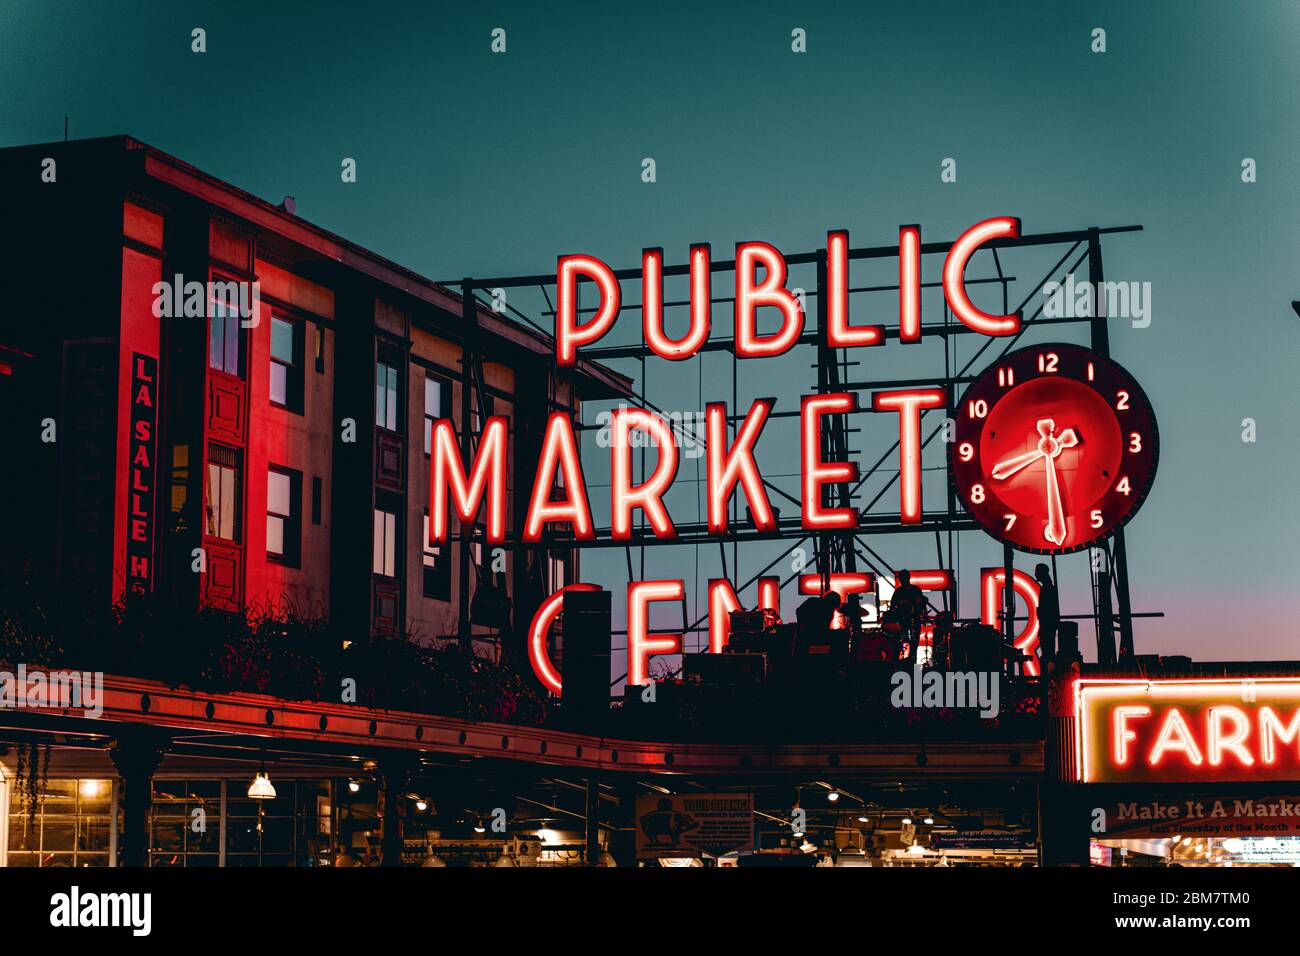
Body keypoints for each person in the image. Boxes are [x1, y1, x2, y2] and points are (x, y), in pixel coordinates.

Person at [891, 570, 927, 664]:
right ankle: (911, 662)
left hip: (907, 621)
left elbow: (893, 607)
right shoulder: (914, 589)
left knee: (908, 643)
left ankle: (905, 662)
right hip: (909, 621)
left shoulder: (899, 592)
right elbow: (922, 602)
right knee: (913, 643)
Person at [1035, 563, 1060, 661]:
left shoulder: (1046, 589)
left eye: (1037, 572)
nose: (1035, 574)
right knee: (1048, 650)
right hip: (1048, 624)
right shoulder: (1049, 588)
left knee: (1047, 651)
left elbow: (1046, 611)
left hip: (1047, 625)